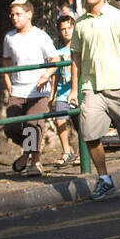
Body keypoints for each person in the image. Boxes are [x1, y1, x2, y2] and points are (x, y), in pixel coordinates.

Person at [69, 0, 120, 199]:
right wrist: (73, 89)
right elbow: (75, 58)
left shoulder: (119, 17)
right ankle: (104, 178)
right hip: (92, 88)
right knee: (89, 133)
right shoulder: (80, 23)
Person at [2, 0, 59, 177]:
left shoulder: (40, 36)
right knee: (11, 127)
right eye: (12, 15)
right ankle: (27, 152)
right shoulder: (9, 37)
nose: (14, 18)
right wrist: (8, 83)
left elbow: (55, 60)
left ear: (29, 14)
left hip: (37, 89)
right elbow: (6, 61)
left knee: (33, 125)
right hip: (18, 89)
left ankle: (35, 162)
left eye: (18, 14)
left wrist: (45, 76)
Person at [50, 12, 77, 167]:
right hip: (62, 91)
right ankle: (66, 151)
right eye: (63, 29)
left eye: (69, 28)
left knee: (82, 123)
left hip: (78, 90)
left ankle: (84, 153)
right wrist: (52, 95)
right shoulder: (58, 52)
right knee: (60, 119)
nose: (66, 31)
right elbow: (56, 75)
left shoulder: (79, 48)